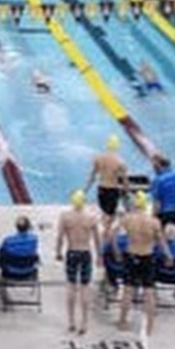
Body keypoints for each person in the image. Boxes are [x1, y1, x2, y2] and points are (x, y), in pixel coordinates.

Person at [115, 192, 171, 338]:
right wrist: (168, 255)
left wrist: (117, 251)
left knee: (128, 290)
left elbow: (112, 234)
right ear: (146, 204)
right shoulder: (154, 222)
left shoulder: (127, 219)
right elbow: (161, 241)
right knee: (149, 292)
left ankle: (122, 322)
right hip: (147, 256)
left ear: (135, 204)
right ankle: (149, 327)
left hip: (131, 254)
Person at [55, 189, 101, 336]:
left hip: (72, 252)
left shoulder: (65, 216)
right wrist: (99, 255)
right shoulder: (91, 217)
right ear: (84, 202)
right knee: (85, 288)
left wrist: (58, 252)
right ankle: (84, 323)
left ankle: (71, 322)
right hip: (85, 253)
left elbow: (60, 237)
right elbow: (97, 239)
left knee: (71, 287)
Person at [84, 134, 128, 233]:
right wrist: (126, 192)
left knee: (105, 214)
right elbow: (125, 181)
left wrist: (85, 190)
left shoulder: (98, 159)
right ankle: (106, 234)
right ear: (117, 146)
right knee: (111, 216)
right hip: (113, 190)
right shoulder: (120, 162)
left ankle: (105, 232)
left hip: (101, 189)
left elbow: (92, 177)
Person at [150, 155, 175, 233]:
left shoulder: (158, 180)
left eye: (154, 166)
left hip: (164, 214)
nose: (153, 168)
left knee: (163, 237)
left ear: (158, 166)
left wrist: (153, 217)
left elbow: (157, 202)